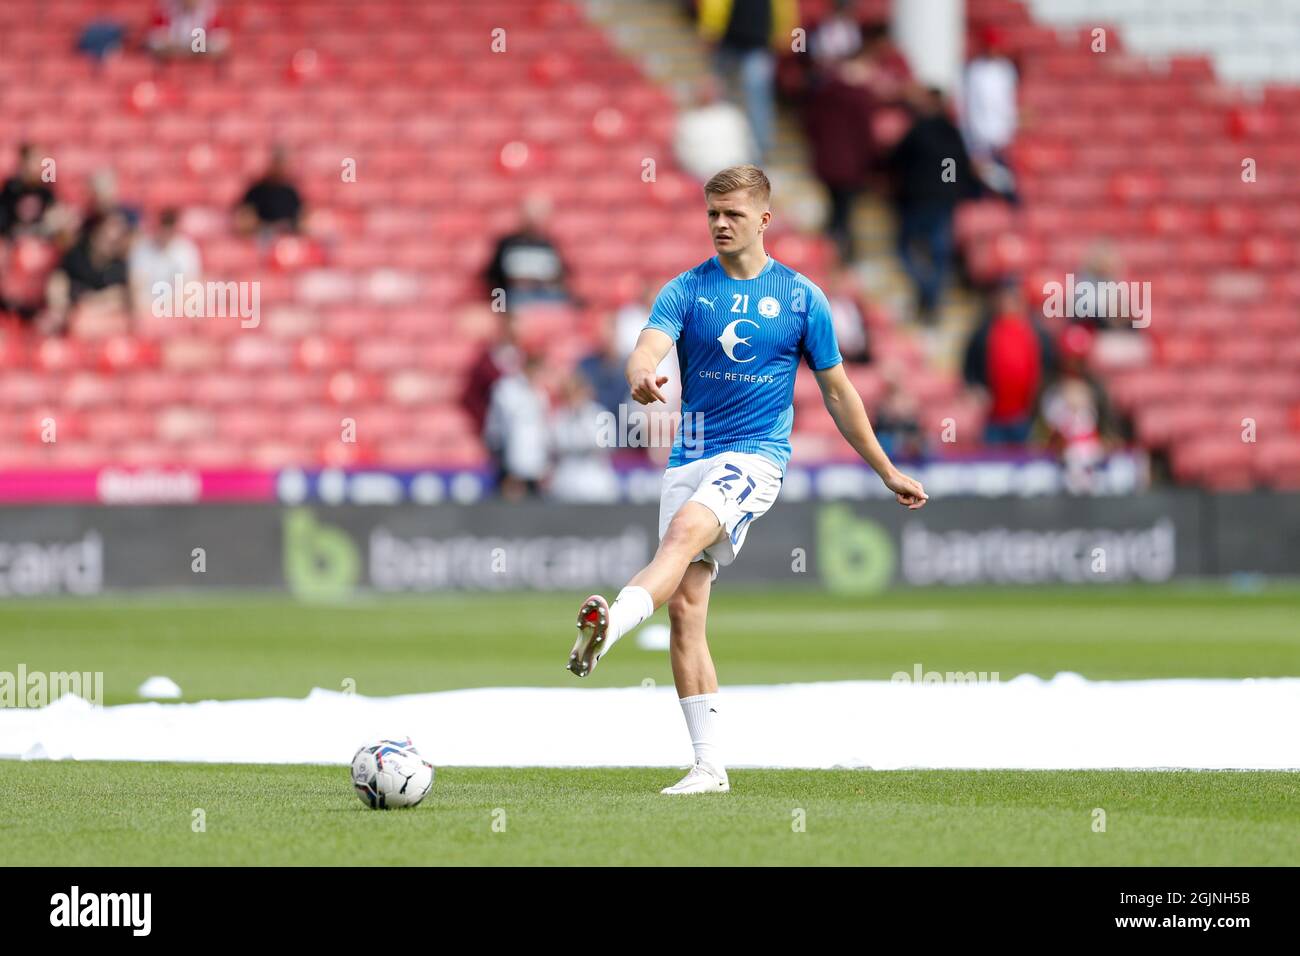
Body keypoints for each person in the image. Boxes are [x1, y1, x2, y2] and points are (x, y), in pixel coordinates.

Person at [564, 164, 928, 794]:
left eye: (733, 214)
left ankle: (609, 626)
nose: (720, 225)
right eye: (712, 214)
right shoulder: (685, 290)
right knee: (685, 609)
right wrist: (640, 375)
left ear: (764, 219)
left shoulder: (801, 298)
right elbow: (646, 347)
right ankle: (709, 766)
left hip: (754, 456)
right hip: (689, 457)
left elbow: (839, 393)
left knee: (680, 539)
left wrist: (887, 469)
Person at [888, 85, 979, 320]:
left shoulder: (918, 130)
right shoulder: (953, 132)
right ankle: (932, 298)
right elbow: (959, 167)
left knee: (905, 249)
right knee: (938, 254)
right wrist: (952, 190)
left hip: (918, 201)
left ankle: (926, 293)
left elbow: (896, 160)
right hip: (942, 202)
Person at [698, 0, 798, 161]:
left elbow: (785, 7)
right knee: (722, 99)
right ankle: (722, 150)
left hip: (758, 45)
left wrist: (784, 33)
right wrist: (710, 29)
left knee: (757, 99)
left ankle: (758, 154)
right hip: (727, 42)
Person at [962, 281, 1055, 445]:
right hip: (993, 417)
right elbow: (969, 368)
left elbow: (1049, 367)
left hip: (1027, 416)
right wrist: (976, 389)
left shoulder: (1037, 333)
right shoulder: (983, 333)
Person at [483, 193, 569, 308]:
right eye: (533, 214)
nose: (536, 219)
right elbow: (494, 278)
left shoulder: (549, 246)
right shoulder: (508, 244)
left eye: (540, 214)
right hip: (514, 297)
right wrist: (500, 306)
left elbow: (559, 277)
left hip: (545, 297)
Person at [674, 75, 758, 183]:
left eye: (712, 88)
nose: (709, 92)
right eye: (704, 88)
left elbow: (747, 146)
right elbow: (683, 154)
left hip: (735, 177)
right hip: (701, 179)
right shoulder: (687, 121)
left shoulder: (732, 115)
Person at [129, 208, 201, 315]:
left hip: (176, 311)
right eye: (164, 225)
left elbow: (189, 290)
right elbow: (136, 287)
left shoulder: (186, 250)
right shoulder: (141, 249)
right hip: (147, 310)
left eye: (170, 225)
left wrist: (167, 309)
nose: (166, 231)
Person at [234, 146, 303, 236]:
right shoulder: (257, 190)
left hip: (286, 234)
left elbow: (299, 219)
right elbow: (245, 216)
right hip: (261, 233)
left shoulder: (290, 191)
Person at [0, 144, 57, 239]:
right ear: (24, 162)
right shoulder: (11, 189)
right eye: (36, 161)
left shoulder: (46, 192)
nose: (41, 167)